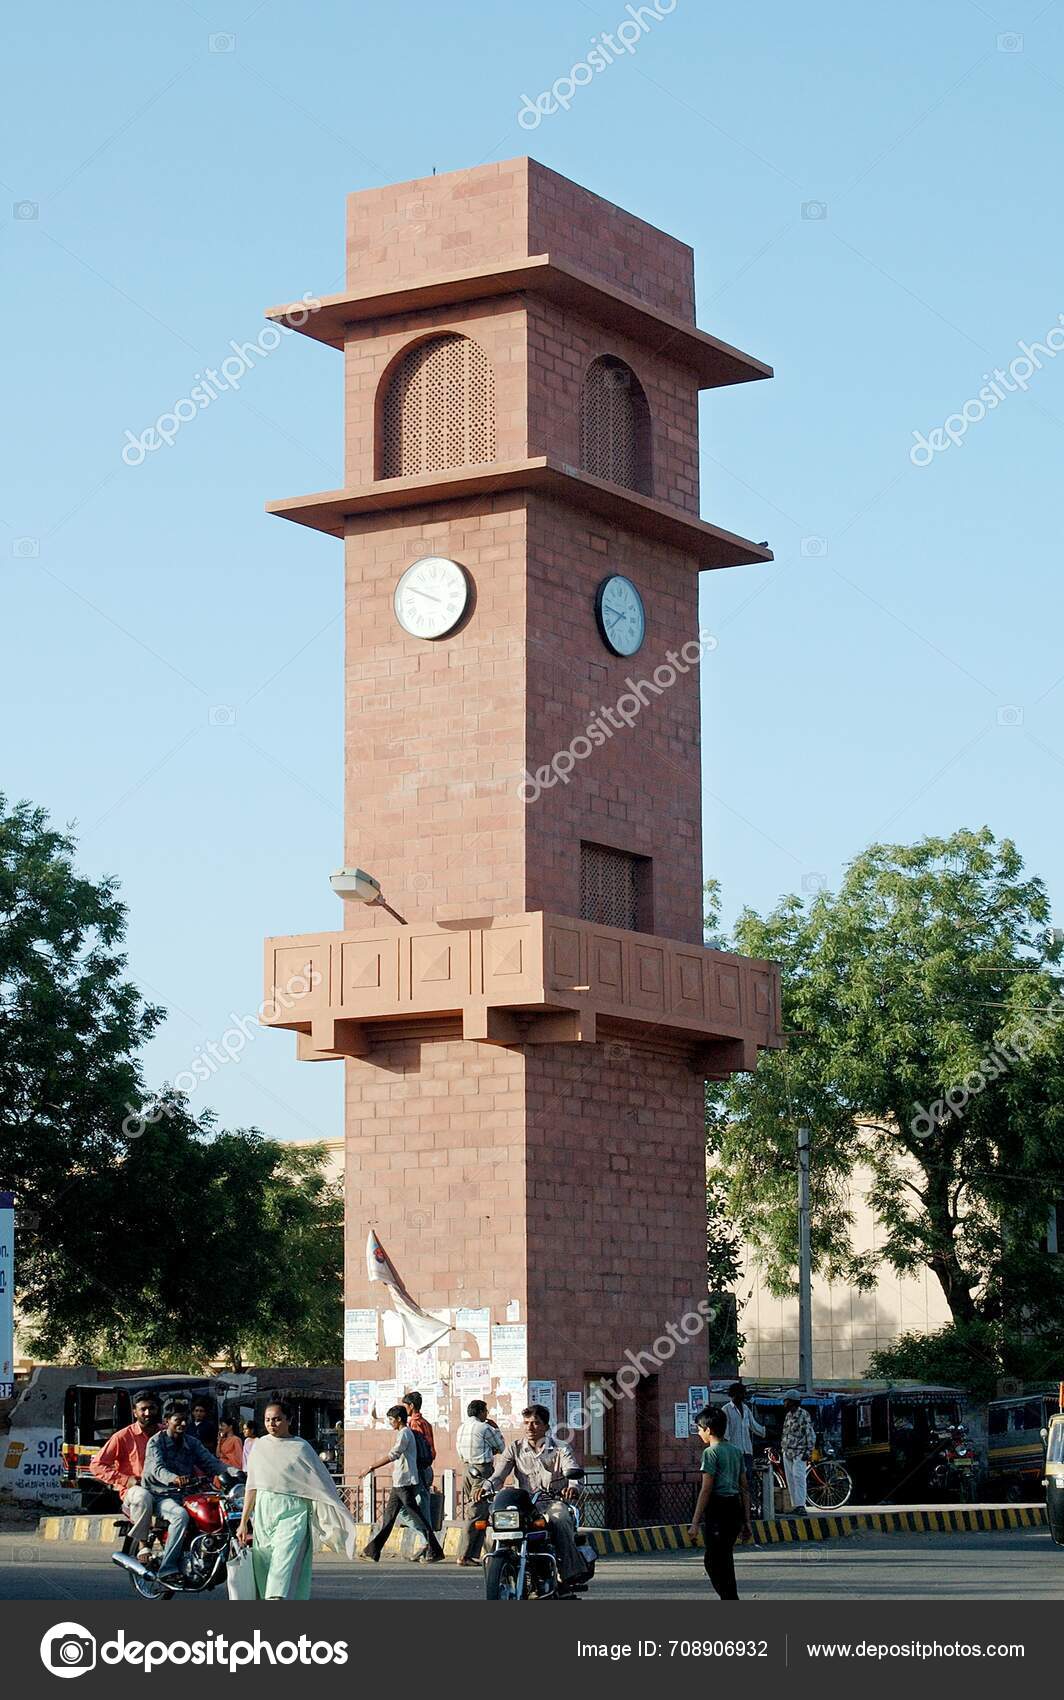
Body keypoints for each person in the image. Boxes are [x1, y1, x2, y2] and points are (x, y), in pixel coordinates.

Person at [236, 1397, 358, 1598]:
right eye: (267, 1420)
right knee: (264, 1563)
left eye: (277, 1419)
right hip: (265, 1512)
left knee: (282, 1563)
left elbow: (322, 1483)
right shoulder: (259, 1447)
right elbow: (252, 1486)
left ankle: (276, 1599)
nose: (271, 1424)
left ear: (289, 1420)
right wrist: (243, 1522)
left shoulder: (301, 1448)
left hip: (294, 1512)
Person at [482, 1405, 589, 1592]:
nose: (530, 1428)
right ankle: (497, 1570)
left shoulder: (560, 1449)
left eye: (536, 1423)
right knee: (494, 1524)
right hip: (523, 1505)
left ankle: (568, 1573)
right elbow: (498, 1476)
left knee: (560, 1519)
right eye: (526, 1423)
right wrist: (485, 1488)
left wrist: (572, 1487)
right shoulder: (514, 1448)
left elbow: (573, 1472)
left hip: (551, 1502)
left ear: (546, 1427)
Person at [142, 1399, 228, 1585]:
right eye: (178, 1420)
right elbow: (157, 1469)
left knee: (218, 1510)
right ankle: (167, 1569)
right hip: (161, 1494)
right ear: (166, 1421)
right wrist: (174, 1478)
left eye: (185, 1420)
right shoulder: (155, 1442)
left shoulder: (192, 1442)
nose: (183, 1423)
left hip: (188, 1493)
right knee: (180, 1516)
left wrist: (236, 1473)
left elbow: (211, 1462)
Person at [360, 1406, 445, 1563]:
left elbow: (394, 1454)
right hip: (399, 1482)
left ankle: (435, 1549)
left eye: (392, 1420)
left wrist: (372, 1467)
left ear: (399, 1419)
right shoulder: (404, 1433)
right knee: (389, 1517)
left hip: (404, 1482)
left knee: (416, 1516)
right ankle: (372, 1551)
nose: (390, 1423)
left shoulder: (405, 1433)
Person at [89, 1389, 160, 1562]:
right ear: (134, 1412)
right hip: (135, 1491)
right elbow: (97, 1465)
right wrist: (126, 1480)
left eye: (151, 1408)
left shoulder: (166, 1434)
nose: (147, 1413)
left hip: (164, 1489)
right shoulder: (122, 1437)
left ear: (158, 1409)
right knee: (143, 1496)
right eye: (143, 1409)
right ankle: (144, 1545)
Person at [687, 1408, 751, 1600]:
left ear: (708, 1430)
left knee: (713, 1560)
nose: (698, 1433)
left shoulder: (710, 1453)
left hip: (718, 1509)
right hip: (734, 1509)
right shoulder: (736, 1451)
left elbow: (706, 1489)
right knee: (725, 1558)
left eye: (699, 1428)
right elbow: (744, 1488)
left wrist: (695, 1522)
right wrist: (746, 1521)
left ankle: (729, 1598)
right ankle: (730, 1597)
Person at [455, 1398, 506, 1566]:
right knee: (476, 1512)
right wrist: (496, 1428)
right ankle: (464, 1554)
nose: (487, 1414)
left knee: (480, 1511)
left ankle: (473, 1553)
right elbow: (501, 1447)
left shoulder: (461, 1427)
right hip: (482, 1470)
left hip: (467, 1469)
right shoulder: (485, 1428)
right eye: (486, 1411)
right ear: (481, 1412)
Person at [721, 1382, 766, 1533]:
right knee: (735, 1485)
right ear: (733, 1395)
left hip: (747, 1452)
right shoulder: (726, 1410)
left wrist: (767, 1431)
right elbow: (725, 1435)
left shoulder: (746, 1409)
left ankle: (747, 1515)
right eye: (740, 1394)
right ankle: (735, 1514)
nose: (742, 1397)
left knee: (747, 1485)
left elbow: (754, 1426)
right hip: (734, 1453)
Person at [399, 1390, 436, 1553]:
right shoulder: (426, 1423)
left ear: (411, 1406)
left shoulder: (412, 1425)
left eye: (405, 1406)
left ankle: (425, 1540)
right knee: (422, 1506)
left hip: (417, 1470)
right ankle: (427, 1542)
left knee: (408, 1508)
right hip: (427, 1468)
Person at [781, 1391, 816, 1514]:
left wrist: (809, 1450)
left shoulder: (803, 1414)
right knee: (790, 1479)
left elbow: (810, 1434)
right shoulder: (788, 1415)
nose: (784, 1402)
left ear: (792, 1401)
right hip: (788, 1451)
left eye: (786, 1400)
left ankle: (801, 1505)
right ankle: (795, 1505)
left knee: (799, 1477)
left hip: (800, 1451)